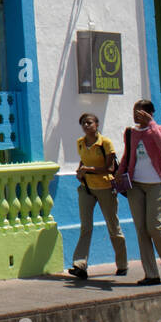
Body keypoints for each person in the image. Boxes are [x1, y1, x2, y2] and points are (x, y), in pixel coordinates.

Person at [116, 100, 161, 285]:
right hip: (135, 185)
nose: (137, 115)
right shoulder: (130, 133)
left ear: (150, 113)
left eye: (141, 113)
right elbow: (127, 155)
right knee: (141, 230)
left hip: (156, 185)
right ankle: (151, 274)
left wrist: (151, 124)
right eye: (135, 112)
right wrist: (119, 173)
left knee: (154, 226)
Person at [68, 113, 128, 280]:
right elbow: (83, 161)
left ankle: (122, 264)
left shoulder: (105, 143)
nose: (86, 126)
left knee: (113, 226)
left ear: (96, 124)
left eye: (89, 123)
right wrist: (80, 172)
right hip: (87, 188)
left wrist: (88, 169)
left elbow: (109, 168)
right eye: (83, 124)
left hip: (105, 188)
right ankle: (80, 265)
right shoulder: (80, 143)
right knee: (85, 227)